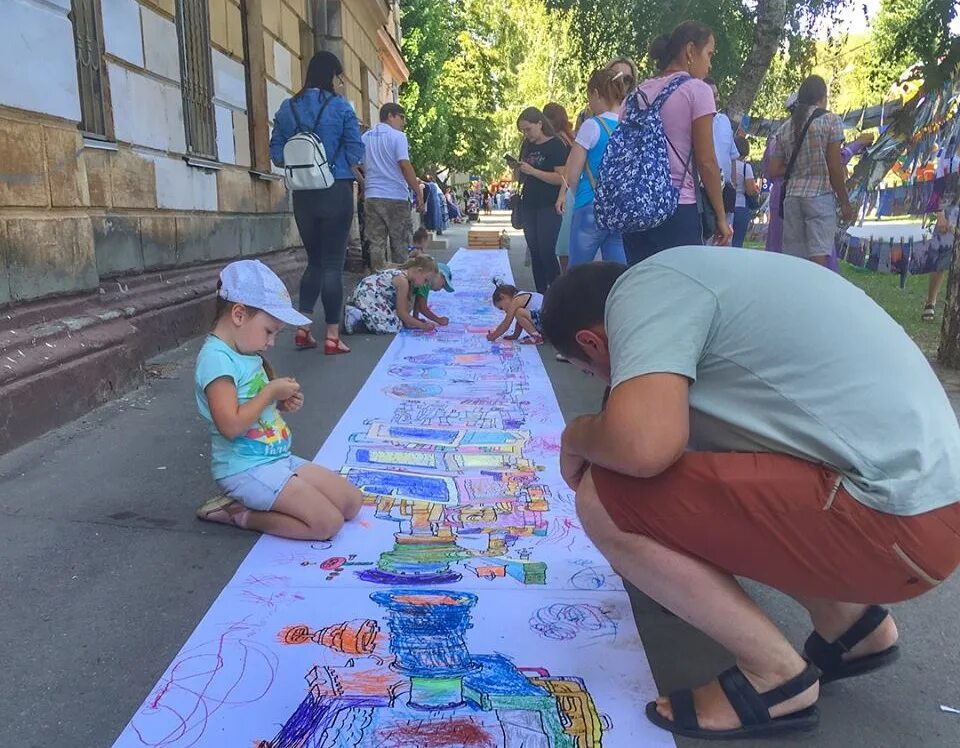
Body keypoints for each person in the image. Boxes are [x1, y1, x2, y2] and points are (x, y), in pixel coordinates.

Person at [540, 252, 960, 740]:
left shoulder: (642, 295)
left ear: (593, 342)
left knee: (606, 496)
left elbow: (642, 446)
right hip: (927, 508)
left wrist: (577, 437)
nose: (604, 386)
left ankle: (775, 678)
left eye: (591, 373)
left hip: (894, 522)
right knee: (693, 465)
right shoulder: (696, 278)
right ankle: (849, 625)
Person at [194, 260, 363, 540]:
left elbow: (252, 404)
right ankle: (240, 515)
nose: (271, 342)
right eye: (269, 331)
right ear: (238, 314)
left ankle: (261, 503)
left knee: (351, 501)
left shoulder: (245, 351)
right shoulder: (216, 360)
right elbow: (230, 425)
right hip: (245, 469)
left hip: (277, 460)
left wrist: (279, 402)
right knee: (326, 523)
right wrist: (270, 393)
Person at [269, 51, 363, 355]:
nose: (341, 82)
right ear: (331, 76)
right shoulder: (340, 108)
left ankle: (303, 328)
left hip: (303, 195)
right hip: (336, 190)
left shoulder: (287, 108)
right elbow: (356, 151)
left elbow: (277, 154)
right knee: (334, 264)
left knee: (314, 262)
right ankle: (332, 337)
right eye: (340, 76)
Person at [622, 21, 732, 265]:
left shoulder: (636, 95)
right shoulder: (697, 90)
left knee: (641, 288)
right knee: (682, 292)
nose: (710, 63)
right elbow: (706, 161)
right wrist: (721, 217)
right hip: (677, 206)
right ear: (690, 51)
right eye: (709, 54)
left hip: (635, 207)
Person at [770, 75, 853, 265]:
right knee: (818, 258)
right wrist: (844, 202)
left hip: (792, 198)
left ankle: (797, 294)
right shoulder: (831, 121)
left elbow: (774, 169)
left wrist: (798, 165)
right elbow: (834, 165)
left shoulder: (785, 129)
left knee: (795, 261)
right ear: (822, 97)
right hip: (819, 196)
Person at [557, 68, 628, 267]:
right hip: (619, 209)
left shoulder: (592, 125)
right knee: (617, 274)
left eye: (589, 96)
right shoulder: (628, 125)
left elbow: (572, 174)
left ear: (596, 93)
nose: (589, 103)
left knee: (576, 274)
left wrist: (565, 194)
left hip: (590, 206)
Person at [361, 103, 424, 271]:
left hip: (372, 196)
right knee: (401, 244)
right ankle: (403, 283)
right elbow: (404, 165)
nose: (403, 123)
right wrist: (418, 191)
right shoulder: (398, 137)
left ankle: (378, 282)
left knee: (376, 243)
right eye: (401, 117)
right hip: (395, 197)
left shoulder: (365, 137)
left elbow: (355, 164)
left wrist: (364, 182)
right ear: (390, 116)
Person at [515, 107, 570, 292]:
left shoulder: (556, 145)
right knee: (535, 251)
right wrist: (517, 168)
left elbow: (562, 178)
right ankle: (541, 294)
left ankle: (556, 292)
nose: (526, 134)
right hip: (529, 203)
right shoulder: (527, 145)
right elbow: (521, 178)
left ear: (539, 123)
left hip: (549, 204)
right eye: (522, 130)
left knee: (547, 250)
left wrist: (533, 171)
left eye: (528, 129)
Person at [343, 255, 439, 335]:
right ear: (419, 270)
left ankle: (362, 313)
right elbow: (402, 313)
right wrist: (422, 326)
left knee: (396, 321)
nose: (425, 284)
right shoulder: (403, 281)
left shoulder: (404, 276)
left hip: (369, 294)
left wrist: (415, 322)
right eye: (425, 280)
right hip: (368, 295)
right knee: (393, 326)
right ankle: (356, 315)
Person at [544, 102, 577, 273]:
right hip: (574, 193)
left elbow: (563, 173)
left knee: (561, 248)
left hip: (562, 194)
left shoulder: (557, 141)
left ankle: (563, 284)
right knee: (569, 249)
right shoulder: (571, 138)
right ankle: (568, 280)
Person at [706, 78, 739, 201]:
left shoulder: (724, 120)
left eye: (717, 95)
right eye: (713, 96)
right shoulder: (693, 122)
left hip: (726, 191)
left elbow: (733, 156)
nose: (718, 100)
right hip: (703, 190)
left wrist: (734, 185)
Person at [731, 136, 759, 247]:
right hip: (740, 205)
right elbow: (750, 190)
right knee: (737, 241)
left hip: (725, 204)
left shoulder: (726, 163)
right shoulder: (746, 167)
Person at [412, 262, 455, 328]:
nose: (440, 289)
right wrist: (438, 320)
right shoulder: (426, 282)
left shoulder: (426, 280)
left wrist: (415, 317)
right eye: (442, 285)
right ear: (439, 275)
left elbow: (418, 300)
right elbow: (423, 308)